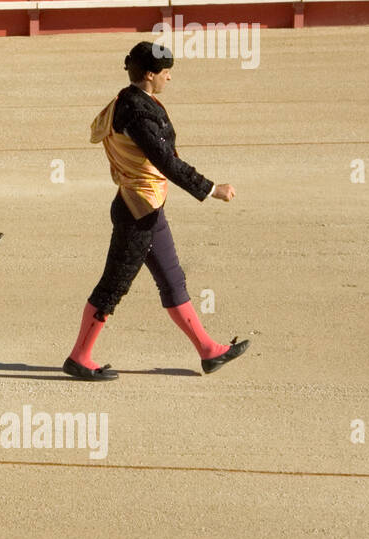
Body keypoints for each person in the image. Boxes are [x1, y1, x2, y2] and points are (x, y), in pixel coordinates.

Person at [63, 42, 248, 381]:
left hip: (148, 207)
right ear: (150, 75)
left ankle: (208, 350)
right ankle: (79, 357)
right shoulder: (138, 114)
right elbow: (166, 161)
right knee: (114, 285)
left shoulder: (126, 100)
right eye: (165, 73)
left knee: (171, 279)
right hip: (137, 212)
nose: (169, 78)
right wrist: (210, 189)